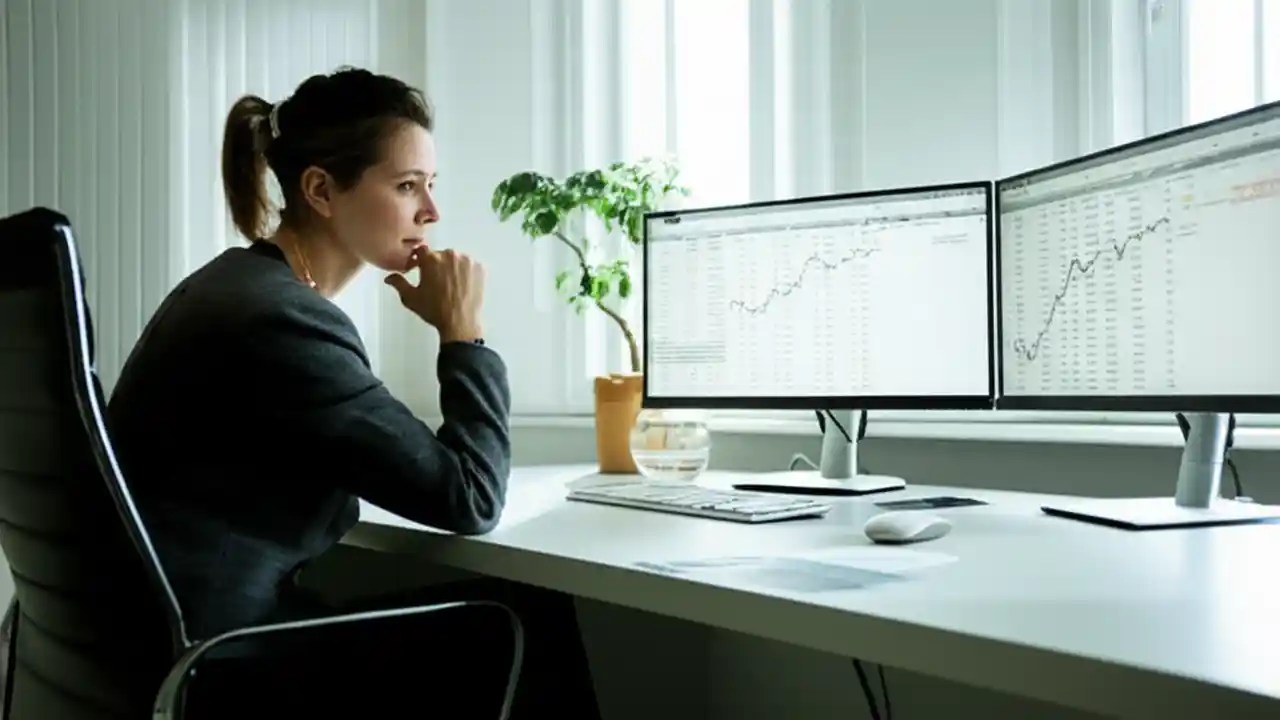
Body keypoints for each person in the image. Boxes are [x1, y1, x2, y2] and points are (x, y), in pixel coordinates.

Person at [106, 67, 599, 717]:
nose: (432, 211)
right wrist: (463, 334)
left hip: (139, 653)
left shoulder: (238, 288)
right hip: (212, 662)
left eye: (431, 185)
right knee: (526, 620)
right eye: (405, 186)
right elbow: (469, 497)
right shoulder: (281, 319)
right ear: (320, 190)